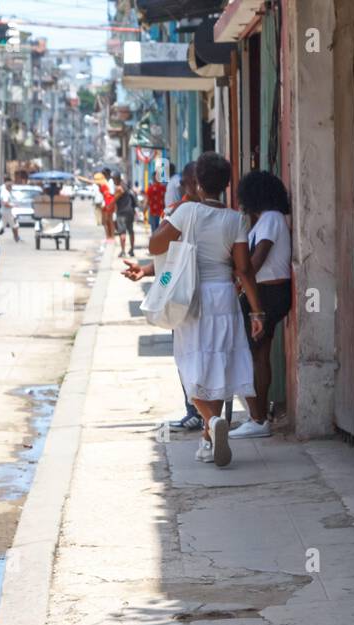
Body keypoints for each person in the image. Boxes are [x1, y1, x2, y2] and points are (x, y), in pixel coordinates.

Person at [148, 152, 264, 467]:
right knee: (217, 364)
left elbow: (154, 246)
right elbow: (243, 270)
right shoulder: (236, 219)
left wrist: (171, 221)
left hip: (191, 297)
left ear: (198, 184)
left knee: (189, 365)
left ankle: (212, 422)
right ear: (227, 185)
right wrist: (256, 312)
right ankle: (208, 440)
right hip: (224, 297)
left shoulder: (186, 212)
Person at [121, 161, 205, 432]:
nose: (186, 188)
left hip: (199, 294)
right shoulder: (183, 212)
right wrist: (146, 271)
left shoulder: (192, 212)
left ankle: (202, 412)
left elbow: (159, 246)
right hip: (189, 294)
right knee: (187, 354)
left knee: (194, 354)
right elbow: (169, 258)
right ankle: (197, 410)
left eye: (189, 184)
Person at [228, 170, 293, 439]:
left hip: (267, 293)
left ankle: (257, 418)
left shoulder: (271, 220)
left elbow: (256, 261)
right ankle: (258, 417)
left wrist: (239, 280)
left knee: (252, 354)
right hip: (265, 292)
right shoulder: (266, 220)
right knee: (258, 353)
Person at [113, 178, 137, 256]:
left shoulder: (119, 189)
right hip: (130, 212)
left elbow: (114, 201)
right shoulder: (130, 191)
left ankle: (123, 251)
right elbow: (134, 202)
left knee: (122, 232)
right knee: (131, 231)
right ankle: (132, 250)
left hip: (121, 213)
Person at [0, 176, 21, 242]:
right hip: (7, 211)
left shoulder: (5, 192)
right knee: (15, 225)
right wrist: (14, 205)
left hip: (5, 211)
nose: (12, 187)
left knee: (1, 225)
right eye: (11, 186)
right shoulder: (5, 193)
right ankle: (16, 238)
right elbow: (5, 203)